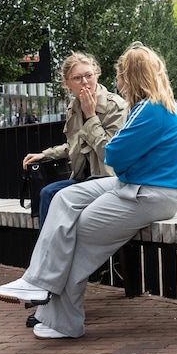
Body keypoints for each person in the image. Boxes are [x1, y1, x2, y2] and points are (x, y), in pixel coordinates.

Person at [0, 43, 177, 340]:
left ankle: (65, 321)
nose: (118, 83)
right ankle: (36, 282)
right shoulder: (151, 107)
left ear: (133, 77)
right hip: (134, 184)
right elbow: (112, 153)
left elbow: (115, 156)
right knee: (63, 197)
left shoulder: (149, 110)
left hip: (148, 193)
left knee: (78, 230)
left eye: (121, 76)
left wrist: (96, 122)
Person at [21, 52, 126, 226]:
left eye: (89, 76)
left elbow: (109, 153)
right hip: (83, 179)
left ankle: (53, 252)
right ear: (67, 84)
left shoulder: (115, 106)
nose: (85, 82)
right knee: (47, 194)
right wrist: (46, 155)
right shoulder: (74, 108)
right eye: (77, 78)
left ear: (96, 75)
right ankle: (53, 251)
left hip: (108, 179)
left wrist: (91, 116)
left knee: (54, 196)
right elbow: (74, 146)